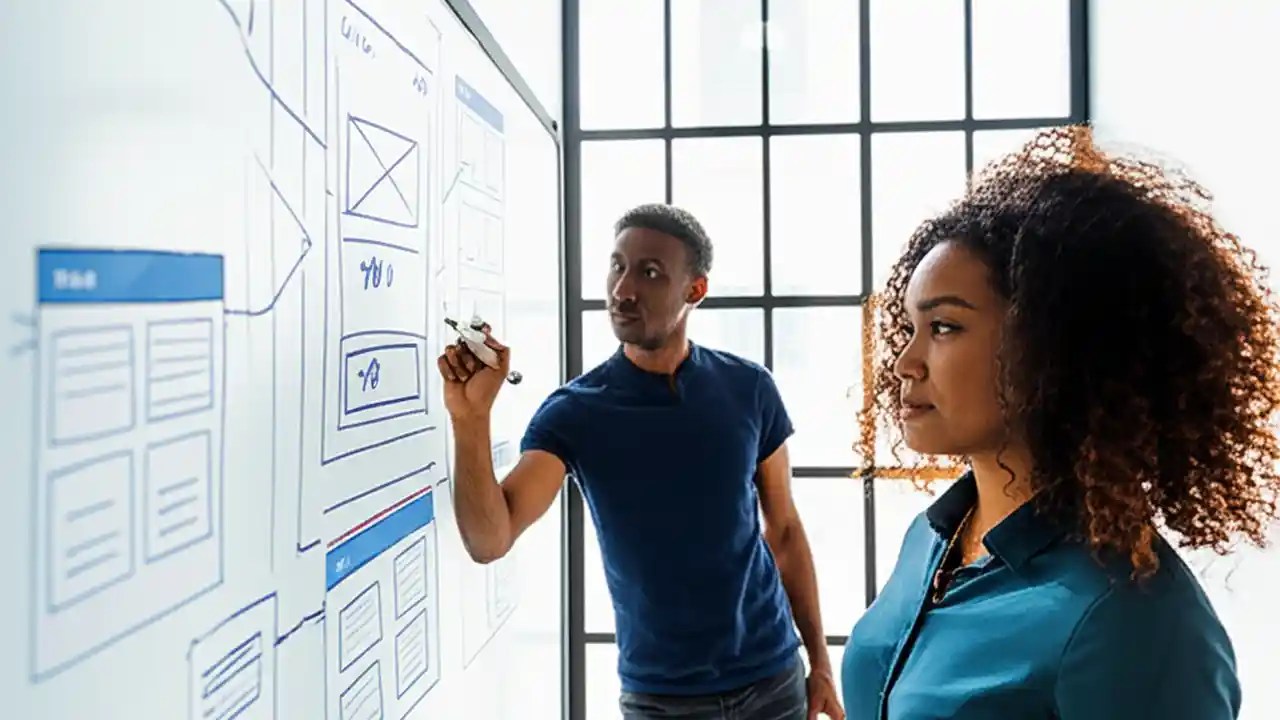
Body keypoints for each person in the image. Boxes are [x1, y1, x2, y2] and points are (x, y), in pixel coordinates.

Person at [841, 124, 1280, 719]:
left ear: (1049, 348)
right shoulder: (932, 538)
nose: (903, 362)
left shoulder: (1129, 617)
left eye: (944, 327)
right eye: (911, 328)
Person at [437, 203, 846, 720]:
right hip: (662, 701)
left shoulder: (750, 388)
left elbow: (783, 530)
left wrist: (821, 664)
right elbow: (489, 539)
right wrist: (470, 421)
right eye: (617, 266)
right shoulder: (576, 412)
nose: (622, 289)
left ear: (694, 290)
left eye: (649, 273)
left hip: (773, 679)